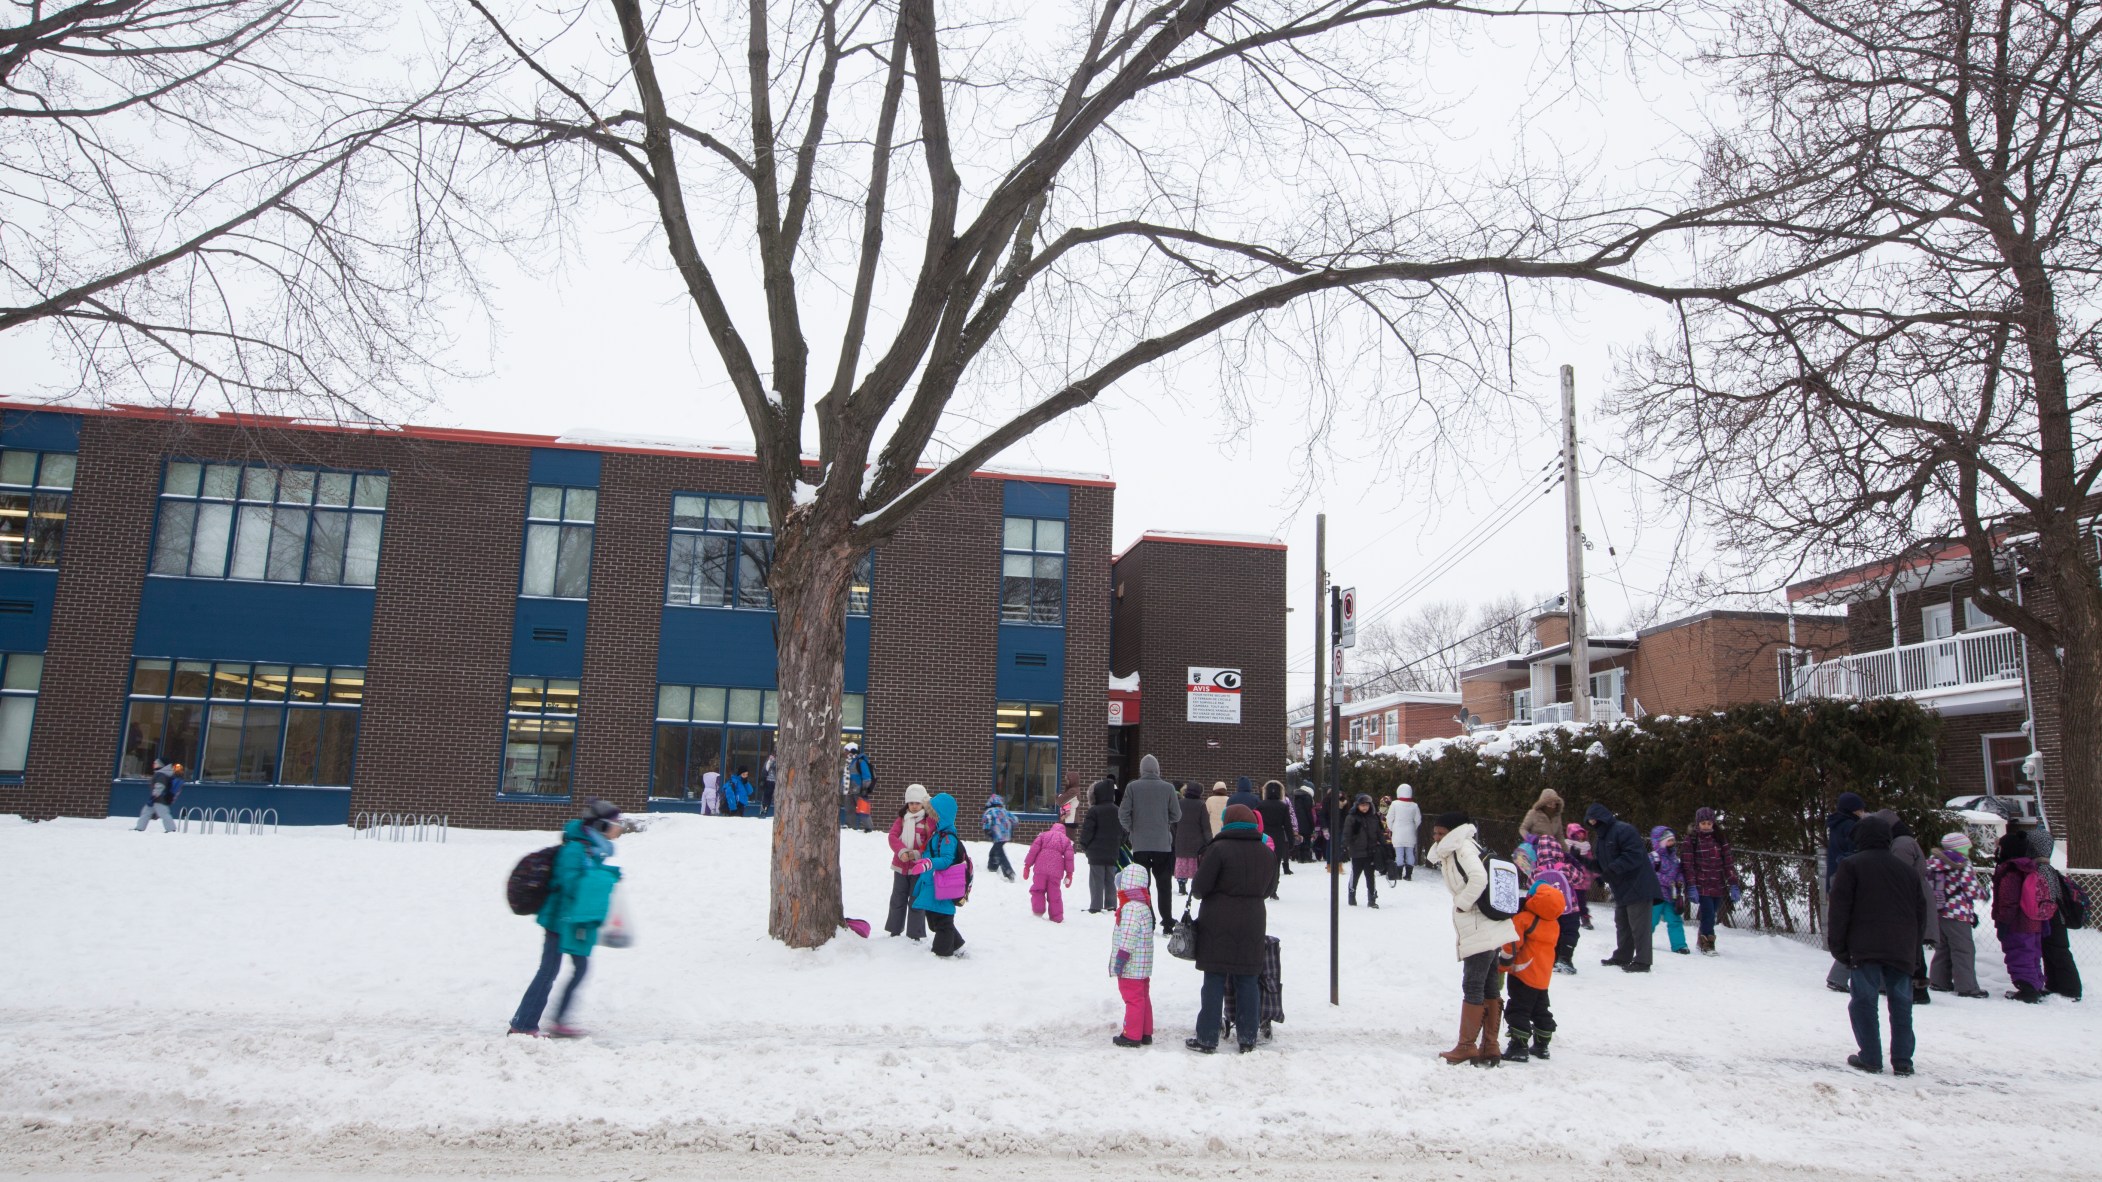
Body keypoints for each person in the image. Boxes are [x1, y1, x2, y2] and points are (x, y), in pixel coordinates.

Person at [509, 799, 624, 1037]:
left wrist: (606, 873)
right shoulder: (575, 849)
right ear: (601, 825)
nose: (619, 827)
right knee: (549, 971)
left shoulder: (593, 848)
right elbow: (570, 884)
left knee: (579, 968)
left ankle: (558, 1021)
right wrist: (604, 877)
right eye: (615, 823)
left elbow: (586, 877)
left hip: (575, 921)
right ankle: (522, 1025)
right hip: (560, 920)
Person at [1828, 815, 1929, 1075]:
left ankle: (1871, 1057)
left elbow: (1840, 909)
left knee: (1863, 1001)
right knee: (1901, 1005)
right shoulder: (1907, 871)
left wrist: (1838, 946)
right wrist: (1915, 951)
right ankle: (1903, 1061)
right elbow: (1920, 912)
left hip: (1865, 946)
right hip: (1902, 947)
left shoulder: (1851, 866)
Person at [1187, 804, 1278, 1054]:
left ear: (1227, 822)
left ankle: (1207, 1038)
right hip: (1252, 921)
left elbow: (1199, 888)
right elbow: (1269, 890)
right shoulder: (1266, 852)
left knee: (1214, 980)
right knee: (1248, 980)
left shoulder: (1217, 849)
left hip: (1217, 920)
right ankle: (1248, 1038)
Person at [1427, 811, 1512, 1066]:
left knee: (1473, 984)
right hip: (1488, 926)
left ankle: (1467, 1046)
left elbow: (1478, 878)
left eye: (1441, 833)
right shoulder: (1460, 847)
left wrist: (1462, 904)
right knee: (1488, 985)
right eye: (1435, 832)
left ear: (1453, 832)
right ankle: (1490, 1045)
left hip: (1479, 925)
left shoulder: (1462, 848)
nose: (1436, 837)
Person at [1501, 852, 1565, 1064]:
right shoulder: (1554, 924)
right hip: (1543, 977)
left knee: (1519, 1007)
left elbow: (1511, 943)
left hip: (1523, 973)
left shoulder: (1525, 919)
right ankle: (1542, 1044)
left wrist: (1503, 963)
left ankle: (1518, 1046)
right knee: (1540, 1009)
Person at [1582, 803, 1661, 972]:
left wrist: (1612, 870)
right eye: (1590, 821)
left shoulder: (1624, 830)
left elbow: (1634, 855)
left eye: (1595, 819)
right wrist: (1584, 862)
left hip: (1638, 885)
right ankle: (1622, 956)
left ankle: (1643, 961)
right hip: (1622, 889)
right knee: (1622, 923)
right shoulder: (1601, 840)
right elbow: (1602, 864)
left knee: (1639, 926)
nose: (1594, 823)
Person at [1870, 809, 1937, 1004]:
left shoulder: (1901, 844)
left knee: (1910, 945)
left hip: (1907, 900)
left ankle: (1917, 989)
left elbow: (1898, 875)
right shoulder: (1902, 842)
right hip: (1908, 899)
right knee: (1908, 945)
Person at [2023, 823, 2084, 1001]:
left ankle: (2071, 988)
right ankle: (2055, 984)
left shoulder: (2042, 870)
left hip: (2054, 917)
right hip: (2052, 916)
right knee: (2050, 951)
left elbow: (2048, 897)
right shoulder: (2046, 868)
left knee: (2059, 952)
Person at [1119, 755, 1182, 928]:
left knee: (1142, 885)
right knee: (1164, 885)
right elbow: (1177, 815)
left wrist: (1132, 829)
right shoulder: (1168, 788)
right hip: (1162, 844)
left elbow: (1123, 814)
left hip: (1140, 845)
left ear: (1141, 770)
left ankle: (1149, 919)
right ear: (1157, 769)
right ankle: (1167, 921)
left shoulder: (1132, 787)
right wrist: (1163, 821)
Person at [1924, 833, 1987, 998]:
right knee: (1963, 950)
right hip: (1957, 912)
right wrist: (1983, 894)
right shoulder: (1961, 863)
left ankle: (1939, 981)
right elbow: (1971, 890)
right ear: (1961, 847)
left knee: (1942, 948)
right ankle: (1967, 987)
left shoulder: (1932, 862)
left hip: (1938, 911)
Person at [908, 792, 969, 958]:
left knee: (943, 921)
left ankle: (942, 953)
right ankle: (958, 945)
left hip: (944, 885)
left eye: (933, 815)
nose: (930, 818)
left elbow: (947, 859)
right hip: (934, 883)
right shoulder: (938, 834)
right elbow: (931, 852)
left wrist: (928, 863)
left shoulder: (948, 837)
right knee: (935, 919)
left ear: (940, 816)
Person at [1993, 830, 2050, 1002]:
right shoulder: (2030, 868)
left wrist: (2003, 921)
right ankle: (2035, 984)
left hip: (2017, 922)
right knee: (2032, 953)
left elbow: (2008, 901)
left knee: (2018, 952)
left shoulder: (2011, 871)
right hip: (2034, 920)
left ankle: (2027, 988)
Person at [1680, 807, 1740, 956]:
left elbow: (1728, 862)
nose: (1706, 826)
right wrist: (1692, 886)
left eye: (1709, 823)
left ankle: (1701, 941)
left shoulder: (1719, 839)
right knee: (1708, 914)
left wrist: (1733, 883)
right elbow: (1688, 864)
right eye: (1703, 823)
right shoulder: (1692, 840)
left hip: (1717, 884)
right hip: (1701, 884)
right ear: (1698, 823)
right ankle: (1708, 944)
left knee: (1712, 913)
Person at [1109, 863, 1156, 1047]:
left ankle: (1132, 1035)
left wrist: (1121, 960)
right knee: (1143, 998)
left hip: (1131, 964)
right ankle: (1145, 1032)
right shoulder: (1144, 906)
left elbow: (1128, 937)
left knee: (1132, 999)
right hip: (1143, 965)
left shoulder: (1130, 909)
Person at [1824, 791, 1867, 991]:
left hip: (1836, 876)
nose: (1863, 813)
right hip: (1847, 878)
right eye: (1860, 809)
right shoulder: (1852, 827)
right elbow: (1853, 853)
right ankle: (1839, 975)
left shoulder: (1836, 825)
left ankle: (1840, 974)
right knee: (1857, 928)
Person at [1520, 837, 1582, 974]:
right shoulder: (1565, 867)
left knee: (1554, 933)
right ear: (1559, 851)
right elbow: (1579, 878)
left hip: (1548, 911)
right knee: (1570, 931)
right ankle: (1565, 958)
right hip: (1569, 907)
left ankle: (1553, 959)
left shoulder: (1536, 871)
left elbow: (1531, 887)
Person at [885, 784, 936, 940]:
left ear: (923, 803)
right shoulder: (902, 819)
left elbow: (929, 842)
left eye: (917, 803)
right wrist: (902, 852)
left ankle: (915, 934)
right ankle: (895, 930)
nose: (914, 806)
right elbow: (893, 837)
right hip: (901, 866)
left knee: (916, 900)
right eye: (911, 803)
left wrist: (916, 854)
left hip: (918, 868)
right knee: (898, 898)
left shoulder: (929, 822)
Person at [1078, 782, 1125, 913]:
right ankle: (1111, 904)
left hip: (1095, 851)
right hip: (1112, 850)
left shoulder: (1094, 810)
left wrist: (1084, 844)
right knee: (1110, 878)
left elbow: (1088, 830)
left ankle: (1095, 905)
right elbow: (1122, 830)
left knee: (1096, 879)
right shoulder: (1117, 810)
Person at [1649, 826, 1691, 956]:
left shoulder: (1674, 858)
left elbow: (1678, 872)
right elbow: (1650, 874)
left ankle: (1679, 945)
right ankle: (1642, 940)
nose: (1672, 843)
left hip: (1671, 895)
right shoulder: (1653, 857)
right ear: (1660, 842)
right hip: (1655, 895)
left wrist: (1679, 880)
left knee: (1674, 920)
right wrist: (1667, 880)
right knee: (1651, 920)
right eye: (1669, 841)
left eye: (1673, 841)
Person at [1024, 817, 1075, 921]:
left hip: (1040, 868)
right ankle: (1056, 916)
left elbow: (1033, 850)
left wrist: (1027, 866)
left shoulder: (1043, 835)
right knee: (1054, 893)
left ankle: (1038, 911)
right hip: (1056, 870)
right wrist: (1069, 874)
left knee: (1038, 889)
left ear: (1052, 829)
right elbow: (1069, 858)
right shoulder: (1066, 840)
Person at [1343, 794, 1384, 908]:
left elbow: (1379, 832)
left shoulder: (1374, 817)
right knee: (1355, 875)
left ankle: (1372, 899)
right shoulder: (1352, 818)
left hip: (1371, 852)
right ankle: (1352, 896)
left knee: (1370, 876)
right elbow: (1347, 834)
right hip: (1356, 852)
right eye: (1362, 805)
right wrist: (1344, 847)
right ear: (1357, 806)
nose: (1365, 807)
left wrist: (1384, 845)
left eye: (1366, 805)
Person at [1172, 781, 1212, 897]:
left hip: (1181, 840)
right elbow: (1205, 825)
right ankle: (1194, 887)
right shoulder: (1201, 805)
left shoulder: (1179, 803)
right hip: (1197, 842)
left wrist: (1177, 833)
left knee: (1182, 863)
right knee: (1195, 866)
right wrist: (1209, 841)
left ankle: (1181, 884)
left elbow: (1173, 823)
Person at [1255, 781, 1296, 882]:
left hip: (1264, 836)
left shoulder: (1260, 805)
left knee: (1264, 861)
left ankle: (1264, 883)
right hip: (1278, 836)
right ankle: (1274, 887)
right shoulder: (1283, 806)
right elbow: (1288, 825)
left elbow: (1256, 821)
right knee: (1276, 862)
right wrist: (1291, 841)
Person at [133, 760, 184, 832]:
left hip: (159, 798)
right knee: (146, 812)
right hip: (158, 798)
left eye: (155, 763)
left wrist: (154, 795)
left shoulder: (161, 774)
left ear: (161, 765)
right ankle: (139, 828)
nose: (153, 764)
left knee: (164, 814)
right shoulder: (163, 773)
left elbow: (160, 786)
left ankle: (171, 829)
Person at [1563, 822, 1596, 931]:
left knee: (1580, 900)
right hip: (1570, 878)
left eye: (1582, 835)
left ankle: (1585, 919)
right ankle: (1567, 916)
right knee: (1567, 899)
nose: (1580, 837)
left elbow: (1591, 862)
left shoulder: (1586, 848)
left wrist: (1597, 875)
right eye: (1578, 835)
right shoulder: (1567, 846)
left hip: (1582, 879)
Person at [1387, 786, 1422, 881]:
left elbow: (1389, 818)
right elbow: (1418, 820)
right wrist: (1413, 827)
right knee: (1410, 853)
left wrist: (1392, 828)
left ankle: (1398, 874)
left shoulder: (1394, 804)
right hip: (1410, 831)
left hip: (1398, 831)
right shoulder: (1414, 805)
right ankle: (1408, 875)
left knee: (1399, 854)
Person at [982, 793, 1017, 881]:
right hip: (1006, 835)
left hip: (997, 835)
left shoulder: (990, 811)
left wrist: (987, 830)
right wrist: (1011, 828)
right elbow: (1015, 820)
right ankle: (993, 868)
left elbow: (986, 820)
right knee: (997, 851)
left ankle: (1008, 871)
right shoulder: (1004, 811)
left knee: (998, 853)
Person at [846, 744, 876, 831]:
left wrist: (865, 789)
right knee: (849, 809)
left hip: (859, 789)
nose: (847, 754)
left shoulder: (860, 762)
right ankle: (850, 827)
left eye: (848, 752)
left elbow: (867, 776)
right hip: (851, 790)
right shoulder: (850, 762)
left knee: (863, 809)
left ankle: (869, 828)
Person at [1291, 784, 1318, 863]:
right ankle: (1307, 857)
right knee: (1306, 839)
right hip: (1305, 821)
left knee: (1300, 839)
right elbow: (1309, 812)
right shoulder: (1307, 797)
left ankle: (1300, 857)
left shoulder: (1296, 796)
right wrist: (1312, 823)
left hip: (1297, 821)